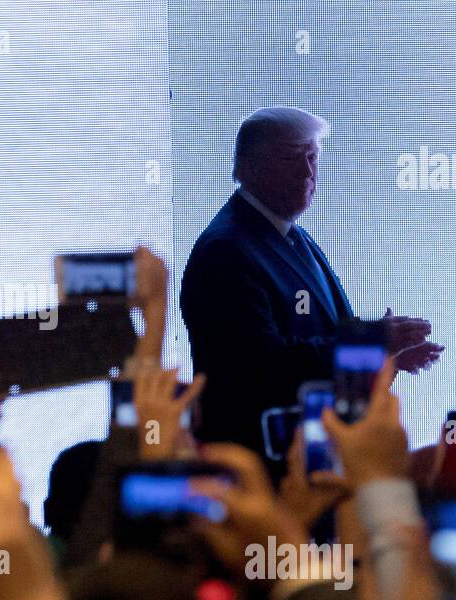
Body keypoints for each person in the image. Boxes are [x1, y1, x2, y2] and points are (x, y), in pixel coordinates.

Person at [180, 106, 442, 454]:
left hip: (311, 456)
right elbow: (263, 367)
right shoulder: (226, 250)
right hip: (265, 469)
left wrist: (386, 353)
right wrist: (375, 343)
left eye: (313, 157)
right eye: (292, 159)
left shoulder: (291, 235)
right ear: (248, 168)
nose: (308, 172)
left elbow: (322, 334)